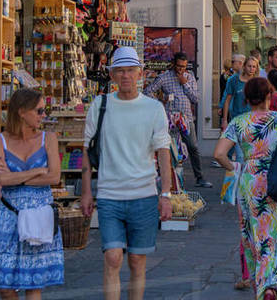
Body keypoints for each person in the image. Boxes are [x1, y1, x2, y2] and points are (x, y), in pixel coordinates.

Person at [81, 47, 172, 300]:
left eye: (131, 70)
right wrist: (87, 191)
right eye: (120, 71)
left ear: (140, 73)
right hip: (110, 194)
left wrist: (166, 194)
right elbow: (87, 151)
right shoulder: (100, 105)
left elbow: (163, 153)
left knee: (136, 261)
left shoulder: (153, 108)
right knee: (112, 257)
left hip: (143, 195)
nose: (126, 76)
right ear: (111, 75)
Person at [213, 77, 277, 300]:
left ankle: (264, 286)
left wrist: (237, 166)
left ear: (246, 99)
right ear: (269, 95)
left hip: (250, 181)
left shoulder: (239, 122)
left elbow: (218, 154)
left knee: (256, 235)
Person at [0, 88, 63, 297]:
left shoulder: (49, 139)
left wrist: (15, 177)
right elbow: (2, 179)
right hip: (9, 215)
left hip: (38, 213)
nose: (43, 115)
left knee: (32, 283)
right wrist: (36, 171)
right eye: (39, 111)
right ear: (21, 111)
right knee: (5, 286)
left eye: (44, 110)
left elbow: (54, 177)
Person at [146, 52, 213, 188]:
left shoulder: (190, 77)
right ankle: (168, 178)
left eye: (183, 67)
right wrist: (159, 103)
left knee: (193, 147)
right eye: (178, 66)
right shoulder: (164, 77)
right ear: (173, 64)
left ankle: (199, 177)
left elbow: (196, 99)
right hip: (169, 120)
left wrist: (185, 84)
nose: (180, 69)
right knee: (169, 148)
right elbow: (148, 91)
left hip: (186, 119)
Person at [222, 55, 260, 130]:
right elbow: (227, 100)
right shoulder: (234, 80)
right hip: (236, 119)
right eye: (249, 66)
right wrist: (225, 120)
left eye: (254, 67)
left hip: (252, 120)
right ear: (244, 66)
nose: (251, 69)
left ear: (256, 69)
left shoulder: (257, 82)